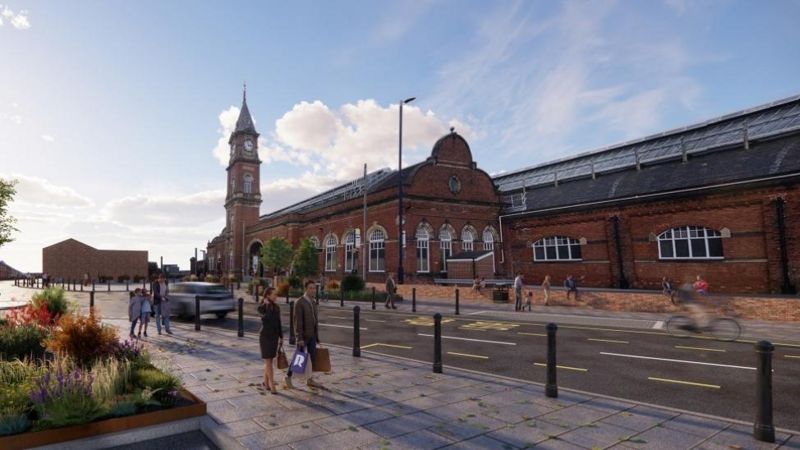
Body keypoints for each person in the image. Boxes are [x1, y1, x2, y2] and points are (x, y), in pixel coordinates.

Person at [284, 280, 324, 390]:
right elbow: (298, 322)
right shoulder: (300, 302)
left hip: (312, 335)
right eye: (310, 288)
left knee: (312, 358)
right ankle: (288, 377)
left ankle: (310, 379)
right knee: (299, 358)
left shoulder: (313, 302)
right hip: (304, 336)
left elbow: (315, 320)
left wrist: (317, 336)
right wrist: (299, 337)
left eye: (314, 288)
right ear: (305, 289)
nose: (313, 290)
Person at [258, 287, 283, 395]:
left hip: (274, 337)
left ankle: (266, 383)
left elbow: (278, 322)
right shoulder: (261, 307)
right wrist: (267, 305)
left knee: (270, 361)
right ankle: (272, 385)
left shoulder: (277, 307)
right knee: (268, 361)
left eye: (276, 294)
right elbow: (266, 319)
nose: (276, 296)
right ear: (267, 295)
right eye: (274, 294)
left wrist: (281, 336)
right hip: (265, 337)